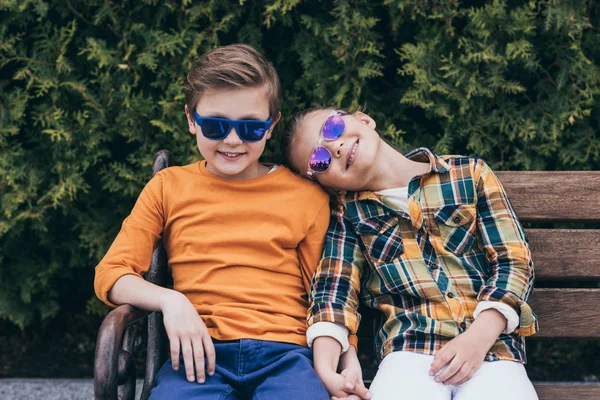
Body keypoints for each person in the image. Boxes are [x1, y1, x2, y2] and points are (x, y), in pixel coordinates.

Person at [94, 44, 342, 400]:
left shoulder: (305, 196)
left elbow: (328, 294)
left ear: (271, 125)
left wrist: (339, 361)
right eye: (214, 125)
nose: (232, 140)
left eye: (251, 128)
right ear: (191, 120)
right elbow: (112, 273)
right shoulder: (169, 187)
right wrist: (170, 302)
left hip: (286, 355)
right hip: (196, 355)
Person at [284, 107, 539, 400]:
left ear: (364, 119)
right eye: (320, 160)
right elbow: (334, 291)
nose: (334, 146)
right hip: (408, 353)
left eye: (332, 128)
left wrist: (479, 337)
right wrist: (328, 369)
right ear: (326, 185)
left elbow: (514, 260)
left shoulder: (469, 175)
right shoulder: (349, 216)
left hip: (494, 350)